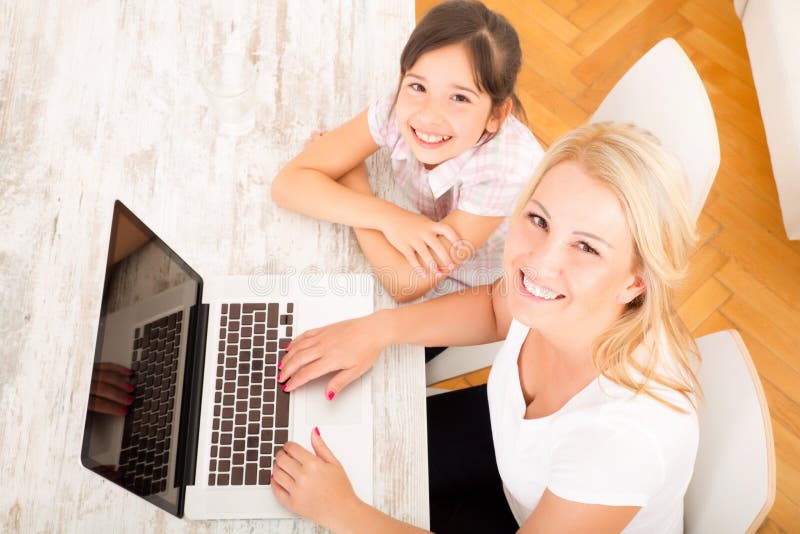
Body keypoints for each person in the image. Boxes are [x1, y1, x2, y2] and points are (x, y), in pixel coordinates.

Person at [269, 122, 702, 533]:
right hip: (513, 459)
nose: (540, 262)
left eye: (586, 247)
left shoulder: (624, 440)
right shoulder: (561, 303)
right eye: (539, 220)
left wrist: (343, 513)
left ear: (635, 282)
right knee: (356, 446)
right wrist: (375, 330)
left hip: (531, 507)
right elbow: (496, 309)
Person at [271, 0, 544, 304]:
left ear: (496, 114)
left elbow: (404, 283)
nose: (428, 115)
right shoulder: (399, 106)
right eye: (418, 87)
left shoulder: (505, 170)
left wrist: (354, 182)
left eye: (459, 98)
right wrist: (389, 217)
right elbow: (288, 185)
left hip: (487, 290)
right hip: (426, 246)